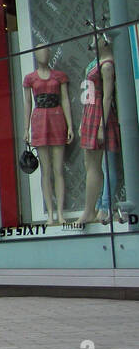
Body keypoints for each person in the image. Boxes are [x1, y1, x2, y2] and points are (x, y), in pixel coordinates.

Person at [22, 46, 73, 225]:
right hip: (39, 120)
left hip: (57, 118)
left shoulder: (59, 76)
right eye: (40, 51)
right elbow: (28, 102)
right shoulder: (30, 78)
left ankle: (60, 212)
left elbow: (65, 99)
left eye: (46, 51)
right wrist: (26, 128)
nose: (44, 54)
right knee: (46, 170)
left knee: (58, 169)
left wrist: (70, 126)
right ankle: (50, 213)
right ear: (35, 55)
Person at [76, 32, 122, 227]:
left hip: (99, 114)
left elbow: (107, 97)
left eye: (97, 36)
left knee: (95, 165)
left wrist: (101, 125)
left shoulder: (107, 64)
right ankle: (93, 208)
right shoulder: (98, 61)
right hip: (90, 111)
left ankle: (92, 210)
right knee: (90, 165)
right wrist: (82, 122)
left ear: (105, 40)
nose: (93, 40)